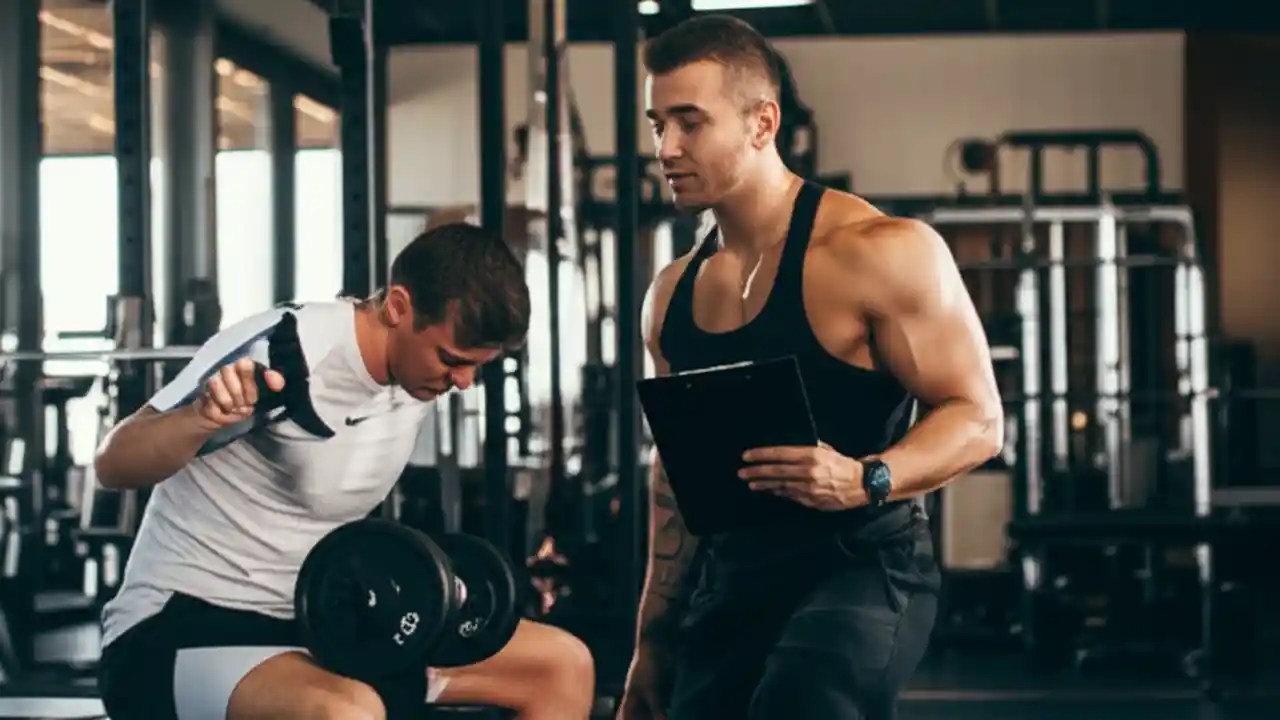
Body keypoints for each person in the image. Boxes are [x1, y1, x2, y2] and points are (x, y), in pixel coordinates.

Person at [618, 15, 1004, 720]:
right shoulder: (670, 295)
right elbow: (675, 471)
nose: (666, 148)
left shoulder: (879, 252)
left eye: (690, 123)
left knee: (802, 697)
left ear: (762, 124)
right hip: (735, 579)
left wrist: (866, 478)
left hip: (861, 568)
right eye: (657, 125)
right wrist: (653, 640)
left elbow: (978, 419)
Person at [94, 222, 596, 720]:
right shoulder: (290, 349)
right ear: (398, 307)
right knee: (347, 713)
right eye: (451, 359)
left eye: (477, 366)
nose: (464, 381)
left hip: (323, 621)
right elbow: (113, 463)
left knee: (561, 666)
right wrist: (199, 419)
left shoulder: (415, 376)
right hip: (183, 627)